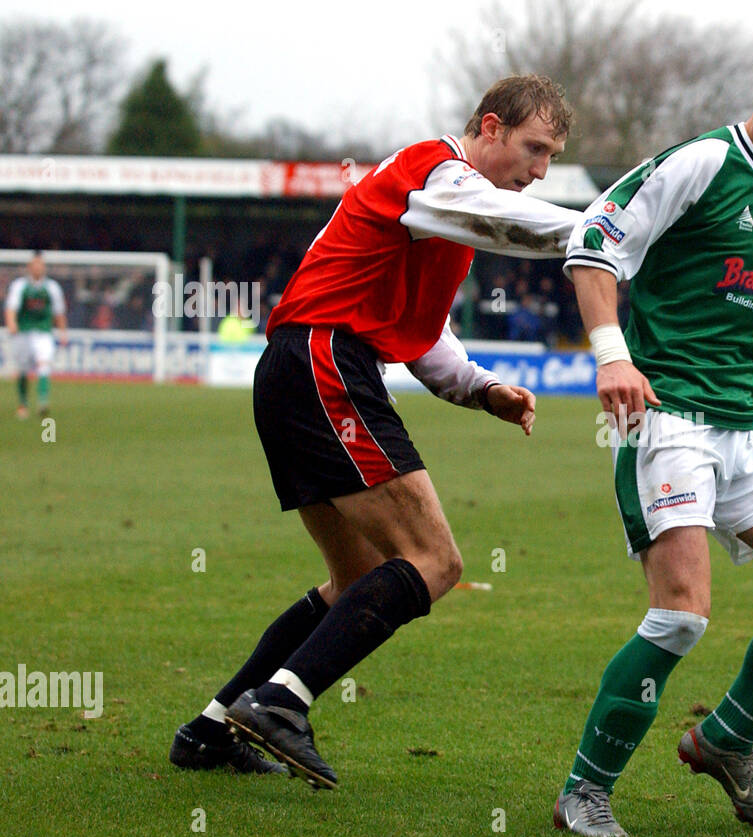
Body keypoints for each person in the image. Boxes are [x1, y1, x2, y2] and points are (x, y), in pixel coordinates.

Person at [168, 75, 581, 788]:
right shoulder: (437, 171)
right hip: (325, 359)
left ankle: (209, 729)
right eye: (534, 149)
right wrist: (605, 234)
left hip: (299, 367)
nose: (539, 170)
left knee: (357, 578)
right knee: (436, 560)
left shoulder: (442, 210)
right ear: (490, 127)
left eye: (550, 157)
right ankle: (281, 704)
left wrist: (483, 389)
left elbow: (422, 339)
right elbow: (509, 223)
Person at [553, 33, 753, 837]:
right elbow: (592, 241)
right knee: (684, 613)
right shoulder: (699, 163)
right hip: (671, 416)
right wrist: (612, 359)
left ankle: (728, 739)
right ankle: (584, 790)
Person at [4, 253, 67, 420]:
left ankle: (43, 402)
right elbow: (11, 306)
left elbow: (59, 312)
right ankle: (23, 405)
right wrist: (11, 323)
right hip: (23, 333)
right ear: (29, 268)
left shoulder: (52, 287)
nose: (38, 268)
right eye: (35, 265)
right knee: (23, 369)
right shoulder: (20, 286)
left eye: (41, 265)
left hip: (43, 332)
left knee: (44, 364)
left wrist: (62, 332)